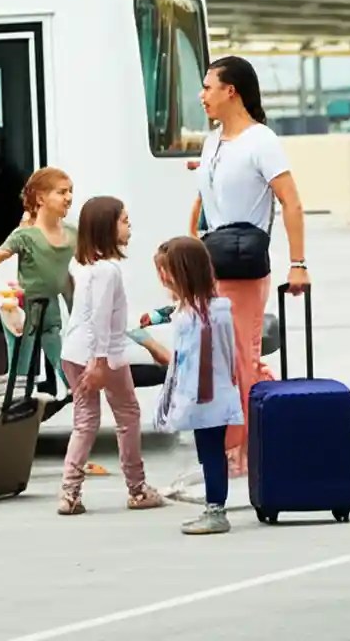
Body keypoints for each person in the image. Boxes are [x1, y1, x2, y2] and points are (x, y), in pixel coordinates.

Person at [191, 55, 311, 478]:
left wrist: (298, 264)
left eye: (208, 87)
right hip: (211, 263)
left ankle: (241, 450)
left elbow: (291, 202)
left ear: (231, 91)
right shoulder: (213, 142)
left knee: (241, 357)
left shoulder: (262, 141)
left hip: (242, 267)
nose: (202, 95)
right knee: (218, 359)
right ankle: (237, 440)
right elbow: (204, 201)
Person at [55, 195, 166, 515]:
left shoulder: (82, 263)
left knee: (85, 422)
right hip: (104, 356)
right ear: (107, 227)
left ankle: (70, 492)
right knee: (128, 416)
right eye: (124, 220)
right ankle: (137, 488)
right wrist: (100, 362)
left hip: (73, 352)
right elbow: (102, 319)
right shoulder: (108, 271)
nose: (129, 226)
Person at [150, 237, 244, 534]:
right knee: (210, 452)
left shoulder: (194, 317)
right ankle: (213, 507)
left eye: (166, 272)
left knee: (212, 453)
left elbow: (185, 363)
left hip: (204, 397)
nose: (162, 278)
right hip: (217, 393)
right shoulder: (213, 308)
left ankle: (216, 510)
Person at [0, 167, 76, 420]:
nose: (68, 197)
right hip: (23, 305)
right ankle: (20, 396)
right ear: (40, 199)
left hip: (47, 303)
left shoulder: (69, 232)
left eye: (70, 192)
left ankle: (66, 383)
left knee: (52, 342)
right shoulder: (24, 236)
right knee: (26, 346)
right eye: (62, 192)